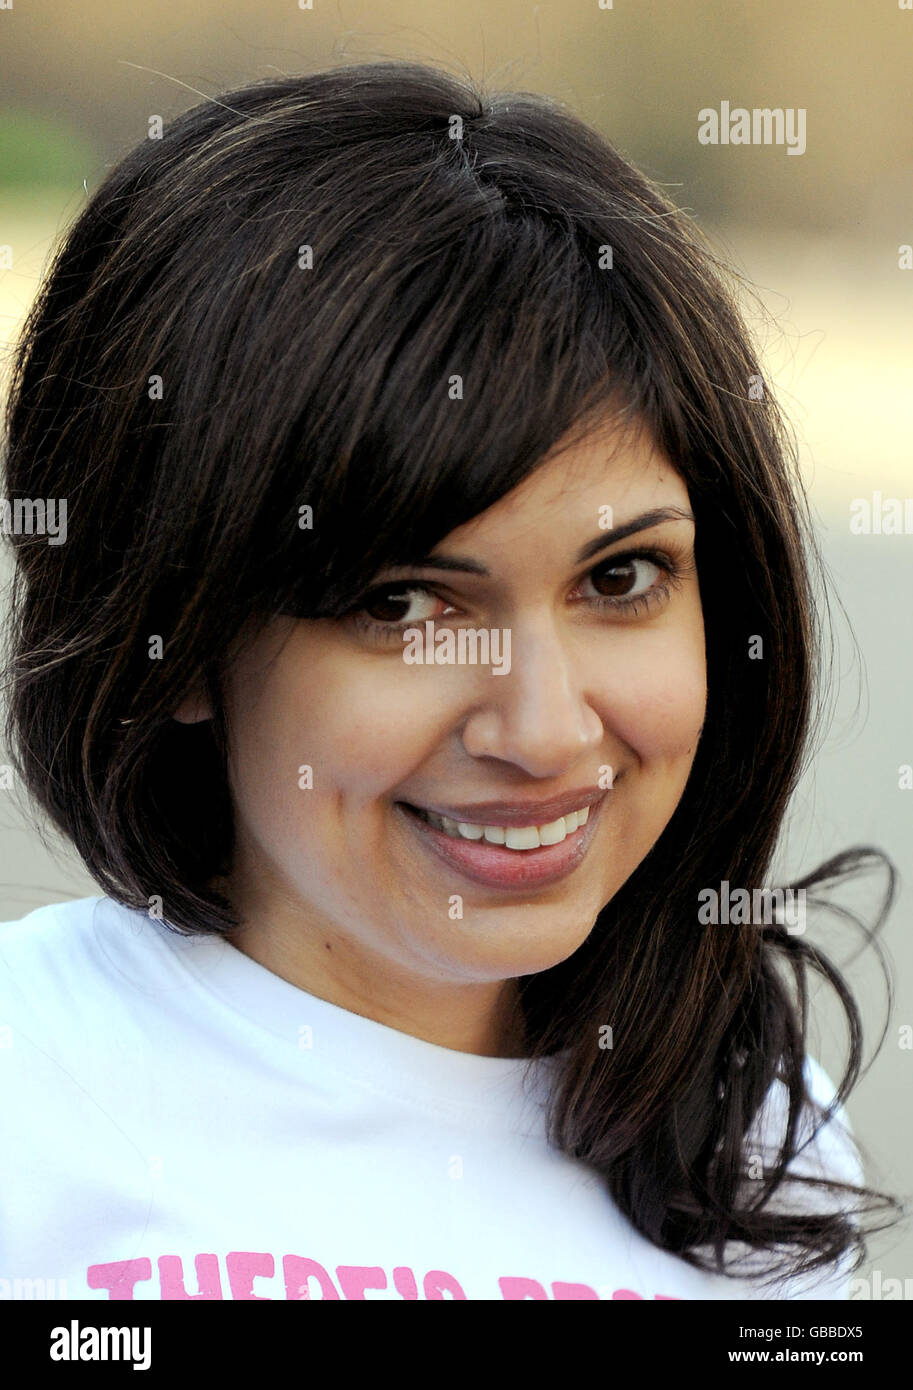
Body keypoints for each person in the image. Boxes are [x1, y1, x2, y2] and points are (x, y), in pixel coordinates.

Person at [0, 60, 899, 1302]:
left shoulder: (760, 1149)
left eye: (623, 579)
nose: (541, 729)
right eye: (403, 603)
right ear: (177, 635)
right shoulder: (26, 1095)